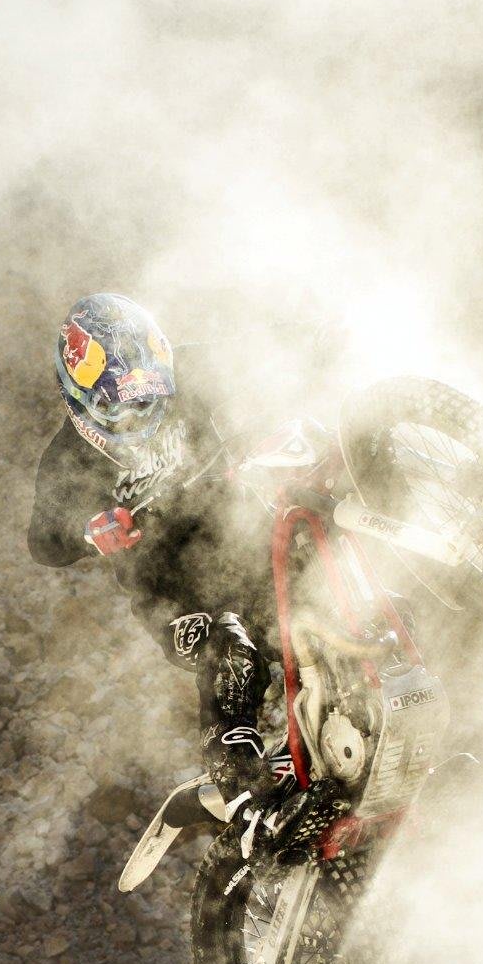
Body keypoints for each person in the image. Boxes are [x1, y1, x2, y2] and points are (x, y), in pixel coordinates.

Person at [24, 292, 291, 807]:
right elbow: (41, 540)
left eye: (149, 394)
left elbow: (270, 360)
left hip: (245, 535)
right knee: (230, 647)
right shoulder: (68, 461)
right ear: (78, 401)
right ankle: (235, 772)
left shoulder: (204, 366)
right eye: (118, 406)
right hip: (169, 587)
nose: (138, 412)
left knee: (322, 587)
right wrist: (88, 531)